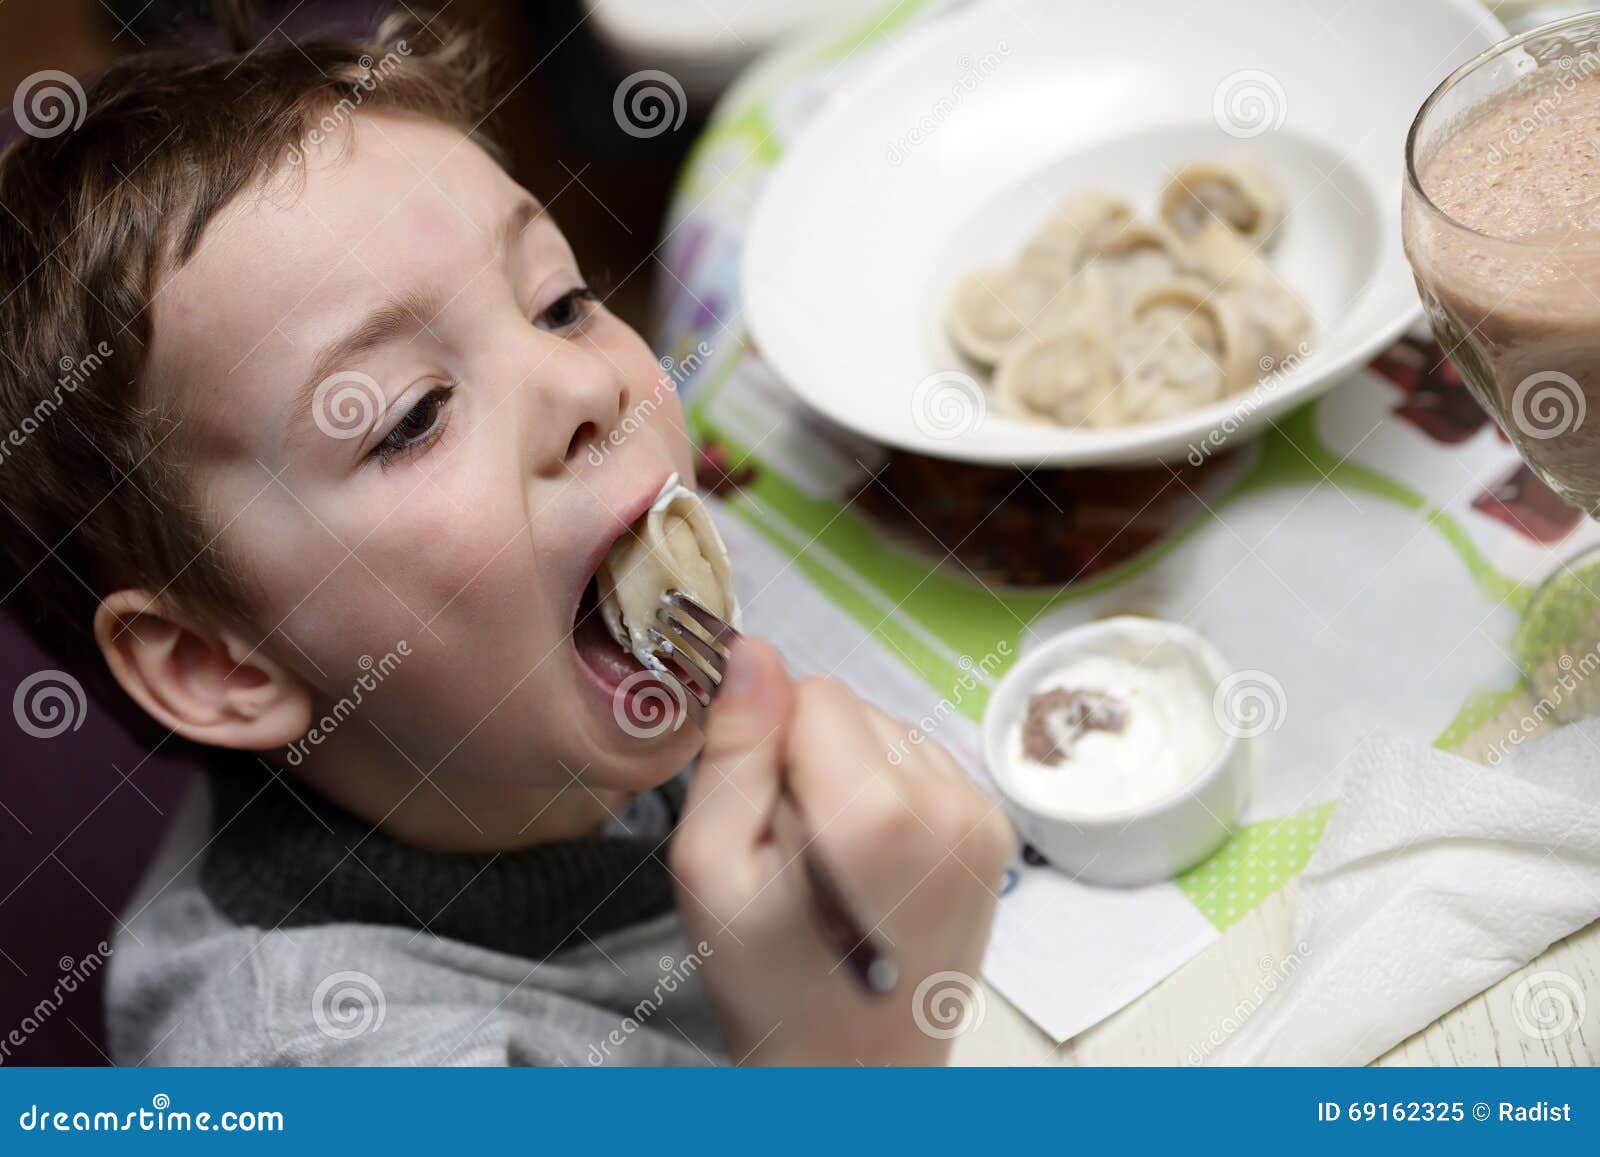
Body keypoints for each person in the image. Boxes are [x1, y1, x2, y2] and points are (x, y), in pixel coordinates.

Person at [0, 10, 1011, 1065]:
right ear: (218, 661)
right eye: (413, 415)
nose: (585, 386)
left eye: (561, 302)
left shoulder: (512, 686)